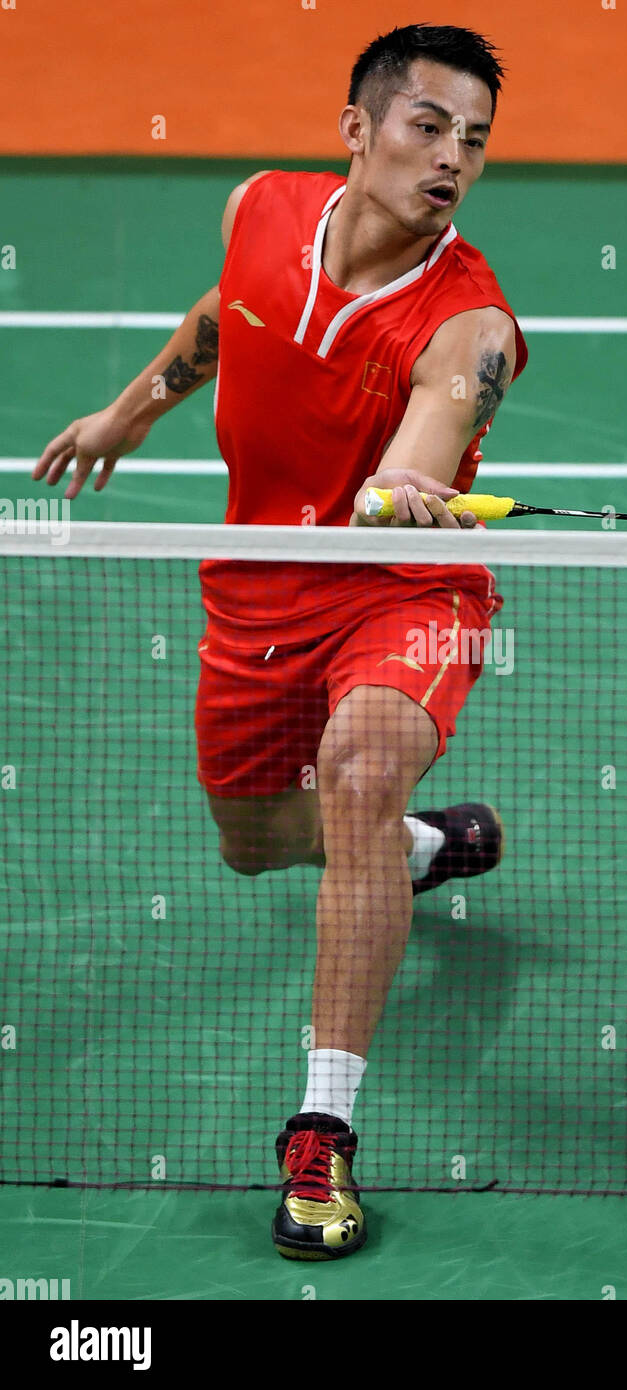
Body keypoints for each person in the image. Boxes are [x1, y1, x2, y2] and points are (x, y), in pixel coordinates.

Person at [34, 22, 528, 1261]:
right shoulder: (260, 205)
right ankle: (414, 849)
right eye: (428, 126)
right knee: (257, 843)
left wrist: (408, 481)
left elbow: (435, 422)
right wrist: (133, 407)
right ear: (356, 130)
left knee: (357, 772)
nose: (451, 158)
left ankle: (322, 1131)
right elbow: (227, 313)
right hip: (256, 592)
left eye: (474, 140)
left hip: (402, 590)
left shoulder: (471, 324)